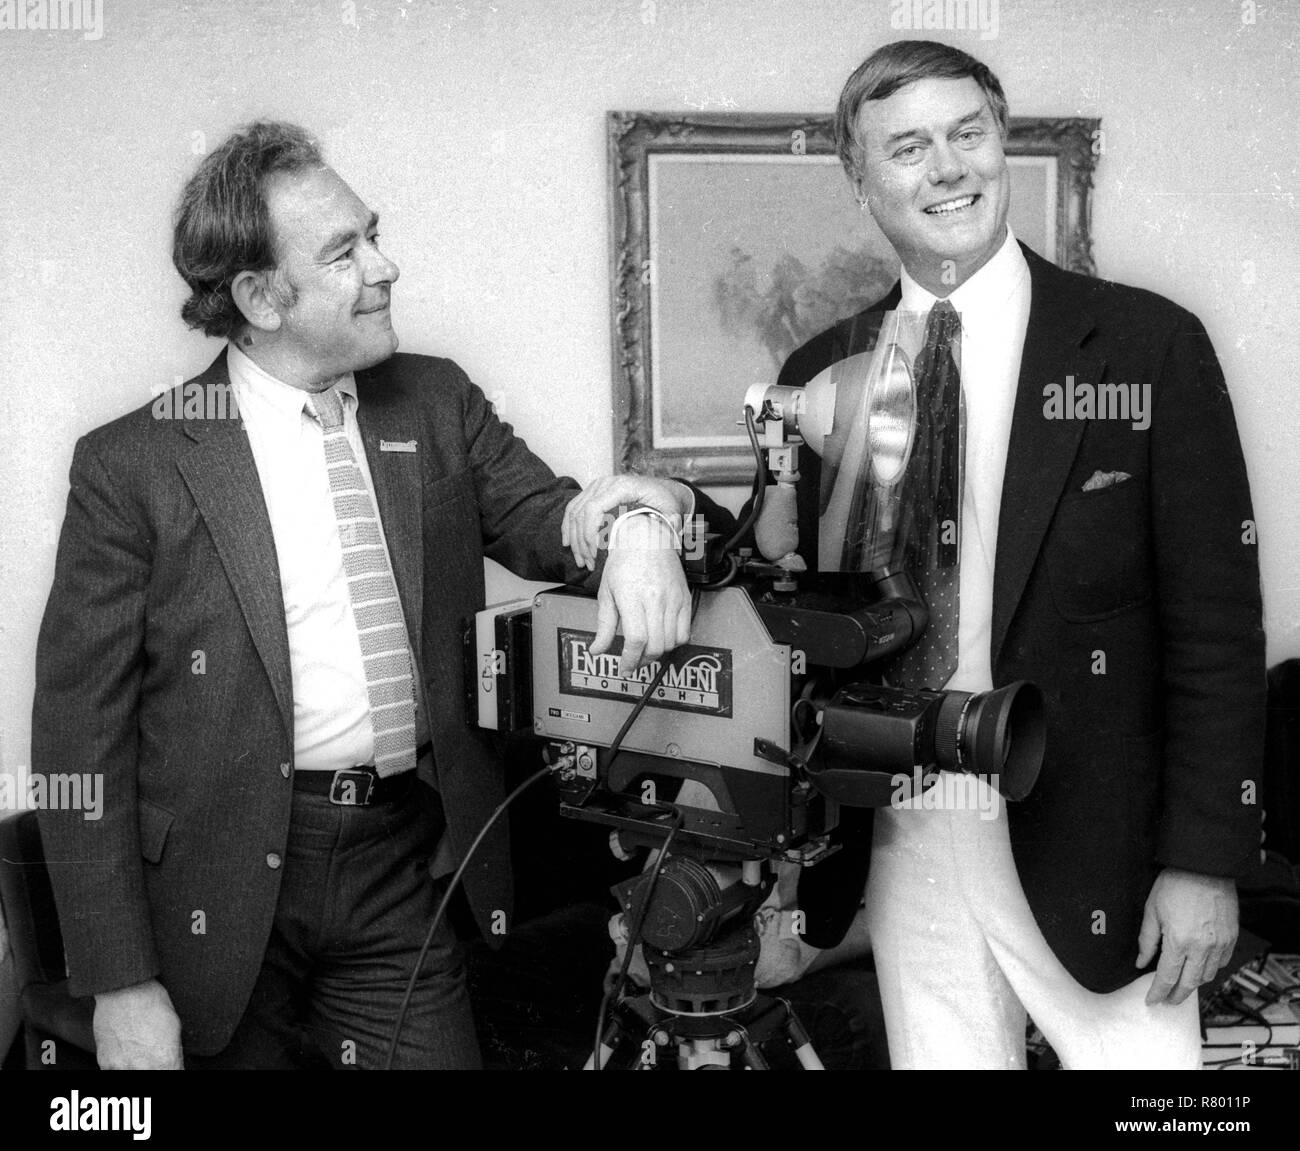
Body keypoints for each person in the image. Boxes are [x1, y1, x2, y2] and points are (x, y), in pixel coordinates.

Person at [584, 40, 1265, 1068]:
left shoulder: (1145, 347)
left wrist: (1204, 862)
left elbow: (1217, 628)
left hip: (1099, 846)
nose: (946, 168)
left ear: (1001, 146)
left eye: (968, 134)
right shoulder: (821, 368)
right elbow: (783, 587)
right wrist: (640, 515)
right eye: (906, 148)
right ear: (861, 184)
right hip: (902, 843)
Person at [31, 121, 696, 1070]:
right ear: (260, 297)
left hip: (404, 863)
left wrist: (639, 525)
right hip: (212, 889)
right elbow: (77, 738)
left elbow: (555, 521)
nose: (386, 266)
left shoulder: (432, 401)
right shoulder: (131, 464)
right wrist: (118, 985)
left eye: (371, 234)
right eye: (344, 252)